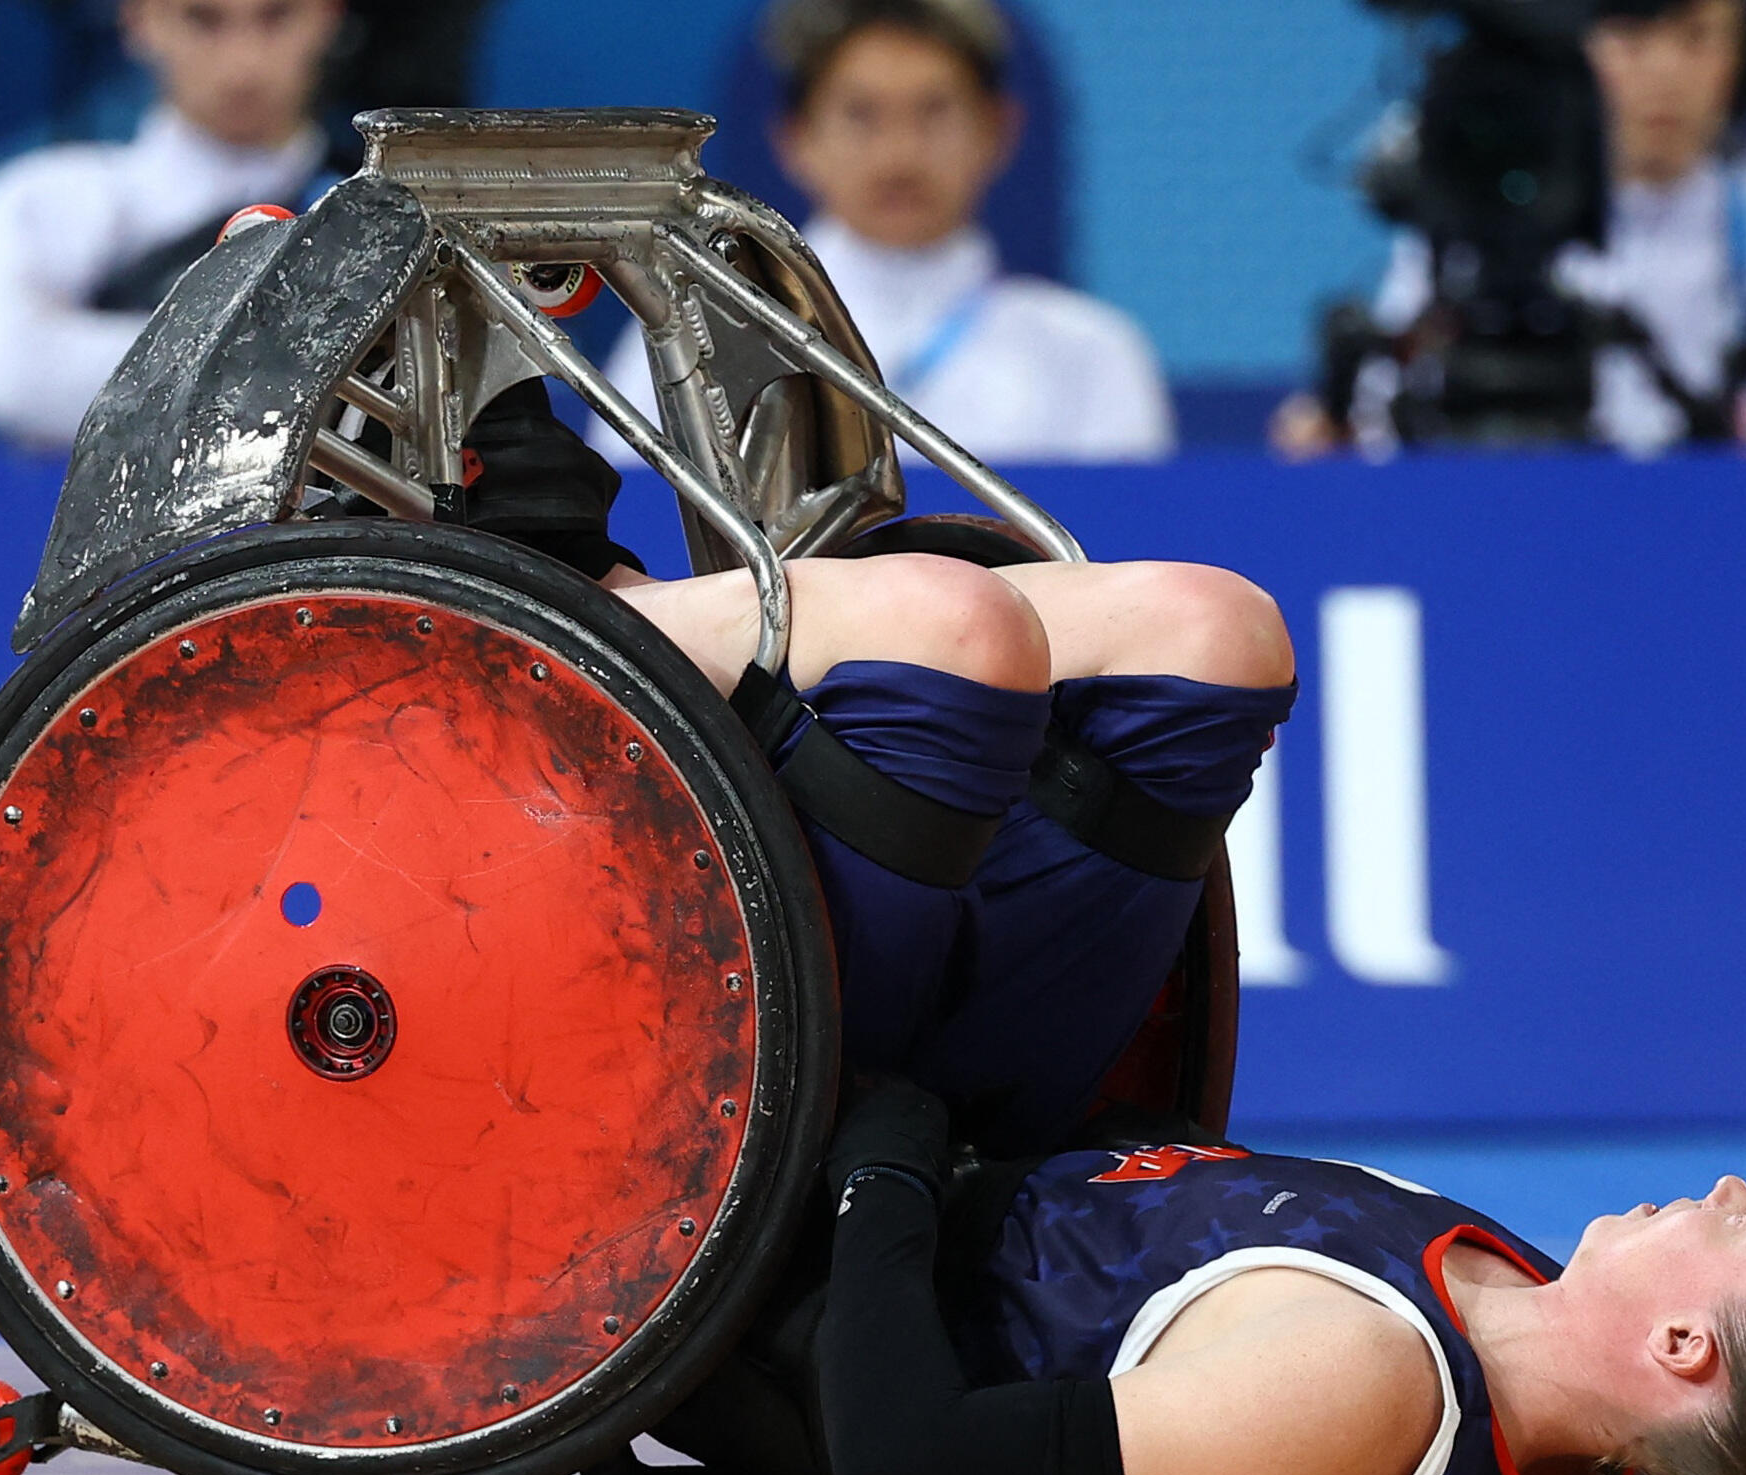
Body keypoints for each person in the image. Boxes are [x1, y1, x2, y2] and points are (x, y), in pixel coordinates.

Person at [462, 378, 1291, 1153]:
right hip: (472, 606)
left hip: (571, 550)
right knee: (949, 627)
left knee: (1215, 631)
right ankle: (834, 1153)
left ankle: (975, 1160)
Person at [590, 1081, 1746, 1475]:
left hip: (779, 1255)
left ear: (1683, 1348)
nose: (1726, 1182)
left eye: (1743, 1224)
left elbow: (908, 1463)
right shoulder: (1508, 1287)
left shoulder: (1363, 1387)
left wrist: (883, 1167)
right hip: (919, 1175)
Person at [1275, 0, 1746, 459]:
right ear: (1566, 46)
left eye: (1697, 35)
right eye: (1629, 34)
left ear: (1744, 54)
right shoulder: (1474, 208)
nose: (1664, 70)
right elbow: (1383, 439)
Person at [587, 0, 1174, 466]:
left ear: (1000, 130)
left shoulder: (1092, 352)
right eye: (860, 115)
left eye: (935, 111)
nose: (899, 156)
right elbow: (639, 543)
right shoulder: (689, 329)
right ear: (795, 139)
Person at [0, 0, 344, 448]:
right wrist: (301, 365)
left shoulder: (372, 202)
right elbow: (16, 381)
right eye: (204, 17)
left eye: (275, 14)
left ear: (328, 13)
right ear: (140, 19)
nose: (242, 59)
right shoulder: (37, 198)